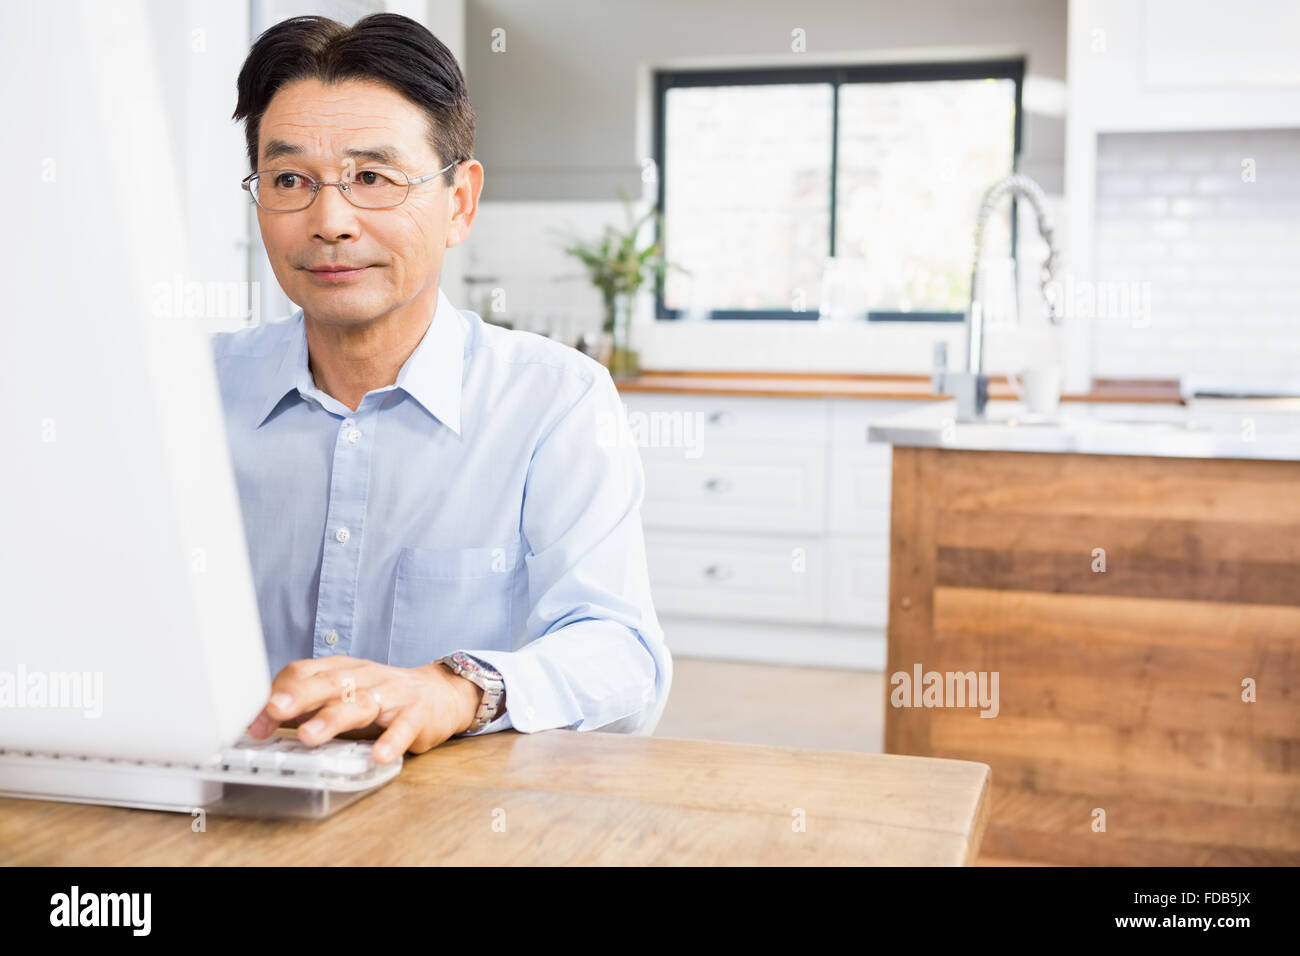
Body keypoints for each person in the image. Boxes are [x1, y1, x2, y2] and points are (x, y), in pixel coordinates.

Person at [211, 13, 669, 763]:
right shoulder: (195, 395)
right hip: (213, 806)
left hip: (456, 818)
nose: (330, 221)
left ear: (459, 202)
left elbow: (623, 657)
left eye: (373, 178)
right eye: (289, 179)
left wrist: (457, 690)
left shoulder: (557, 402)